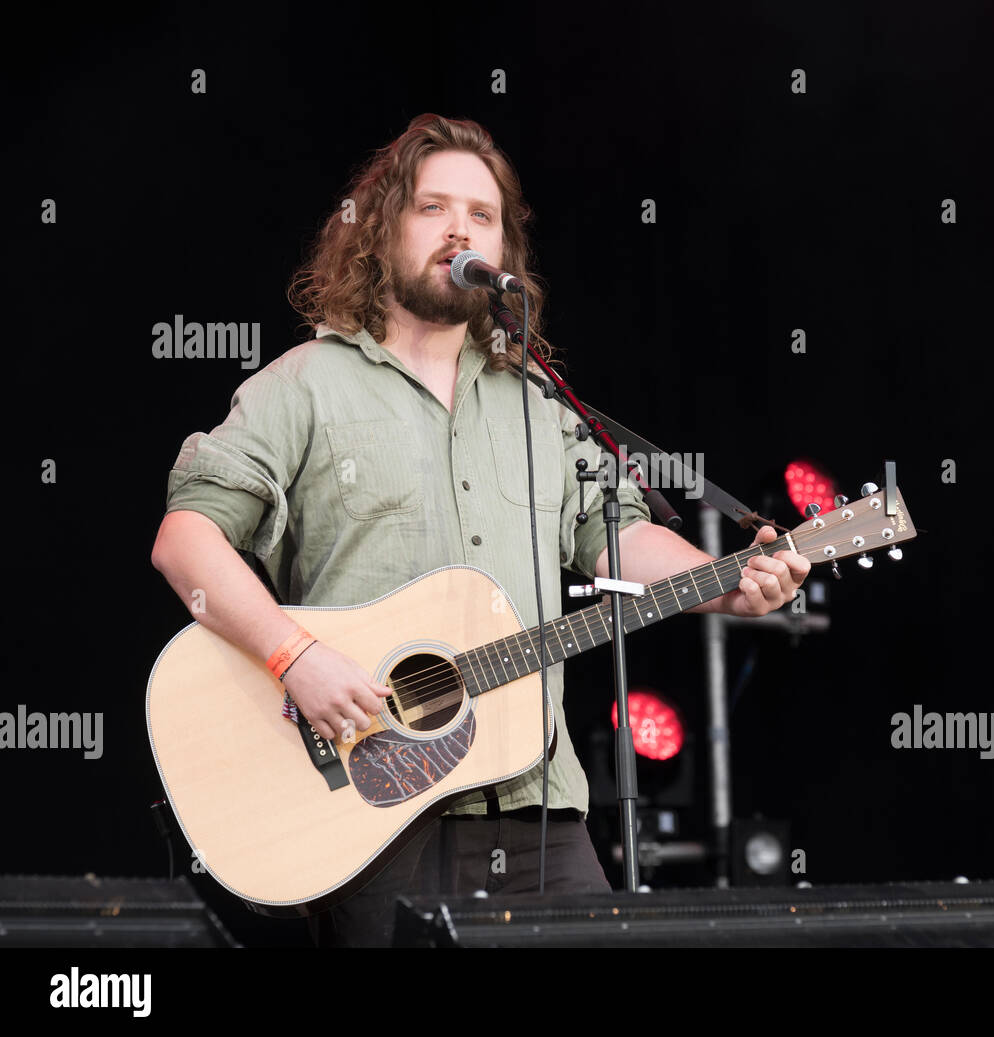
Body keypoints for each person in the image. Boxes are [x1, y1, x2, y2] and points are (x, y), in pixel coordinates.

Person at [150, 113, 810, 947]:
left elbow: (615, 541)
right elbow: (185, 541)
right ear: (380, 230)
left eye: (482, 214)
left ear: (503, 250)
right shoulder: (304, 387)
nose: (461, 227)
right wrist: (297, 658)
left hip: (542, 801)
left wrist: (727, 582)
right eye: (433, 208)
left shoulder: (540, 399)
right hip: (374, 807)